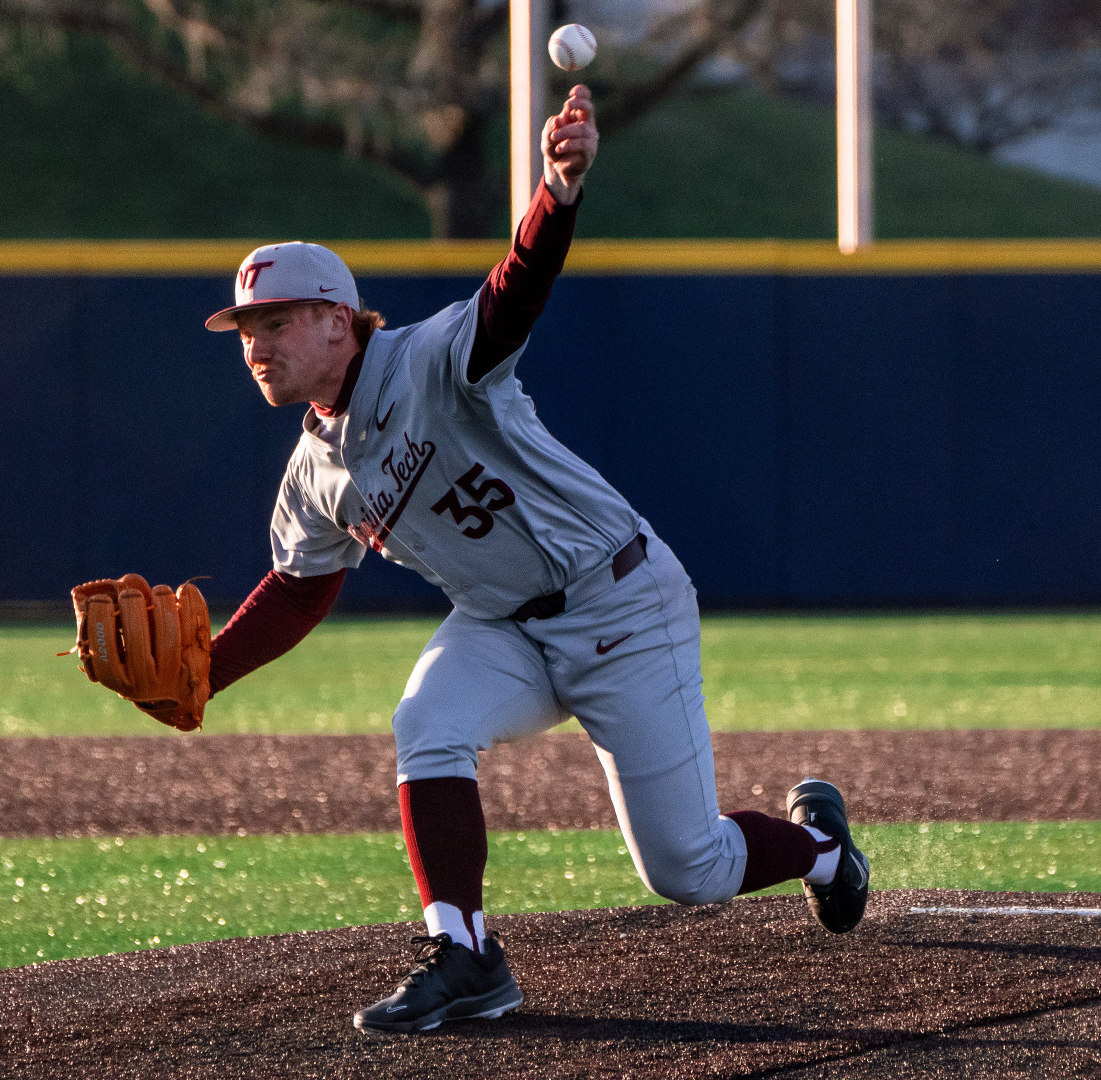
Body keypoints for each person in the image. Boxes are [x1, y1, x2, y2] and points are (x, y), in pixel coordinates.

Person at [199, 85, 870, 1035]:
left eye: (275, 322)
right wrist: (207, 677)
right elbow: (300, 590)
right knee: (425, 722)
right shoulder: (313, 471)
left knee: (690, 870)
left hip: (620, 604)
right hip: (502, 625)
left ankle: (821, 850)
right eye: (245, 331)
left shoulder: (428, 359)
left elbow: (513, 296)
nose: (255, 346)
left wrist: (557, 192)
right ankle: (466, 954)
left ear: (340, 320)